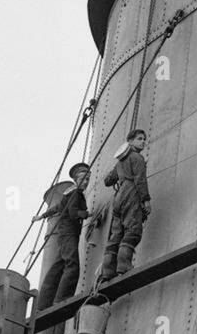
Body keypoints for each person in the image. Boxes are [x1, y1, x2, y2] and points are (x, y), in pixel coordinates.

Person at [35, 162, 91, 305]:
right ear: (76, 180)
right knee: (72, 265)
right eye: (83, 179)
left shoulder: (68, 193)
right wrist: (85, 214)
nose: (86, 182)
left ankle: (43, 302)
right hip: (69, 233)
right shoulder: (76, 193)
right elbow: (73, 213)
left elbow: (57, 208)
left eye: (87, 180)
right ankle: (62, 299)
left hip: (63, 234)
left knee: (57, 266)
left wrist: (41, 216)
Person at [99, 129, 150, 282]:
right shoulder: (137, 158)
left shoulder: (120, 162)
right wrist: (146, 200)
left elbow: (108, 180)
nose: (143, 142)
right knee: (133, 229)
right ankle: (124, 265)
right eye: (140, 139)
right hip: (131, 192)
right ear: (131, 142)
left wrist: (119, 171)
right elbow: (140, 180)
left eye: (144, 139)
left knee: (116, 234)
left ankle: (107, 270)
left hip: (119, 196)